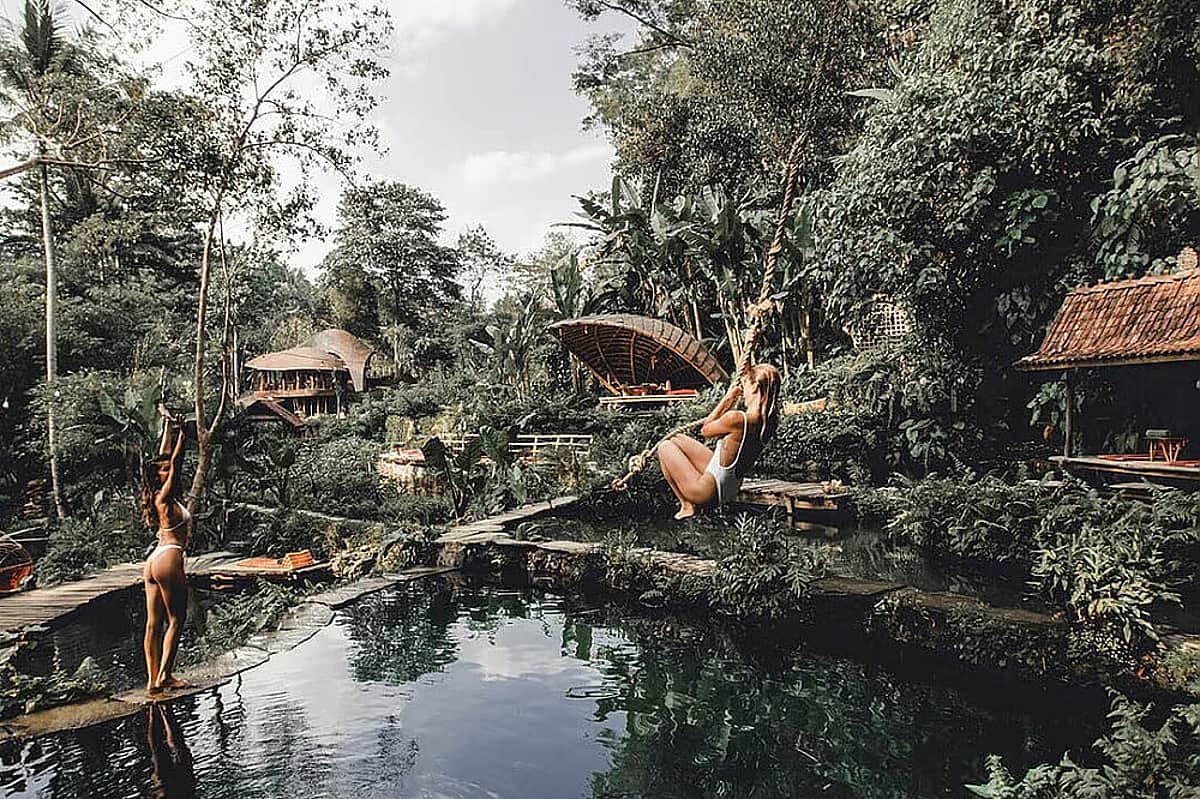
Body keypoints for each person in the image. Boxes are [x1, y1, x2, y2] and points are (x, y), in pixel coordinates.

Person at [657, 363, 781, 519]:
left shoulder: (737, 419)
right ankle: (689, 501)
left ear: (755, 387)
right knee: (677, 439)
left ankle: (687, 504)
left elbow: (705, 430)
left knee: (664, 446)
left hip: (706, 494)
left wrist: (727, 399)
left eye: (746, 387)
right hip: (729, 488)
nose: (744, 394)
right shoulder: (769, 423)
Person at [141, 406, 191, 695]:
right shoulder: (165, 495)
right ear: (159, 476)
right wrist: (184, 433)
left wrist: (169, 427)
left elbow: (165, 456)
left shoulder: (156, 495)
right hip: (169, 557)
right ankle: (165, 676)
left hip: (153, 561)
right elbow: (176, 460)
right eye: (163, 470)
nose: (167, 470)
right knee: (176, 620)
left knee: (153, 623)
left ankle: (152, 681)